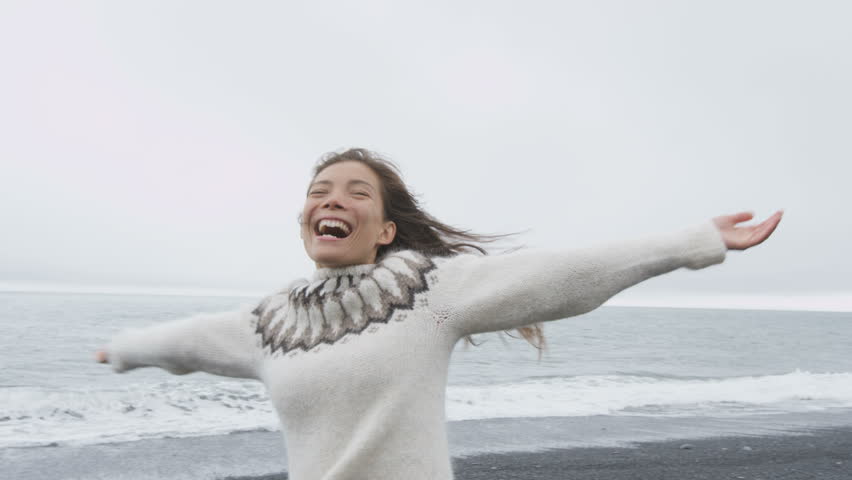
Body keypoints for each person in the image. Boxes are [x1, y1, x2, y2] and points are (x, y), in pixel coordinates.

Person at [96, 148, 783, 480]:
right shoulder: (268, 324)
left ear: (386, 228)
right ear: (305, 216)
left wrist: (695, 242)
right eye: (319, 190)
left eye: (355, 192)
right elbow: (185, 341)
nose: (332, 200)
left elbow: (563, 277)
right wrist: (125, 348)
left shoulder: (432, 290)